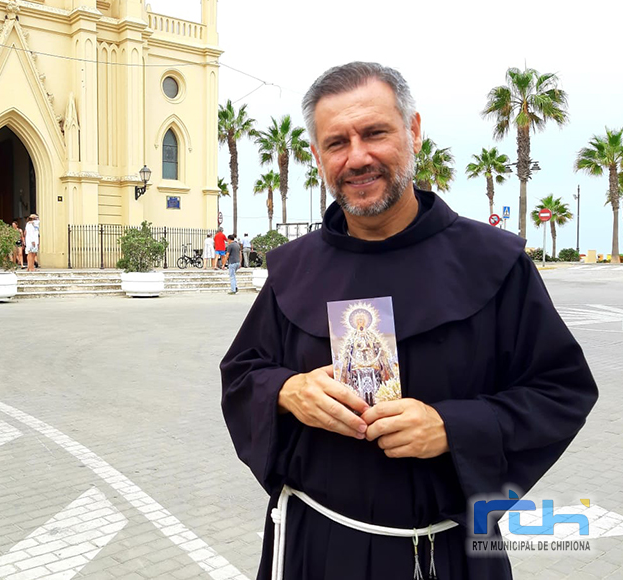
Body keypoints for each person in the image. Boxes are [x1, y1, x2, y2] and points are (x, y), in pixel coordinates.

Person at [220, 62, 598, 580]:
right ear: (317, 156)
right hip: (315, 546)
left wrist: (453, 427)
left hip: (444, 554)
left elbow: (562, 391)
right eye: (336, 143)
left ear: (413, 131)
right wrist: (287, 391)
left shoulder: (493, 261)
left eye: (375, 133)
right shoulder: (295, 267)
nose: (357, 157)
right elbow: (243, 373)